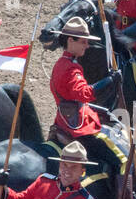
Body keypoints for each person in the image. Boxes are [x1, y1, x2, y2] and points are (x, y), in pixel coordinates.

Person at [47, 15, 128, 189]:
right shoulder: (72, 68)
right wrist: (110, 80)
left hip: (62, 120)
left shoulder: (61, 63)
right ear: (70, 40)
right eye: (83, 41)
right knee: (124, 160)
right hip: (78, 127)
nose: (87, 45)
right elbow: (85, 93)